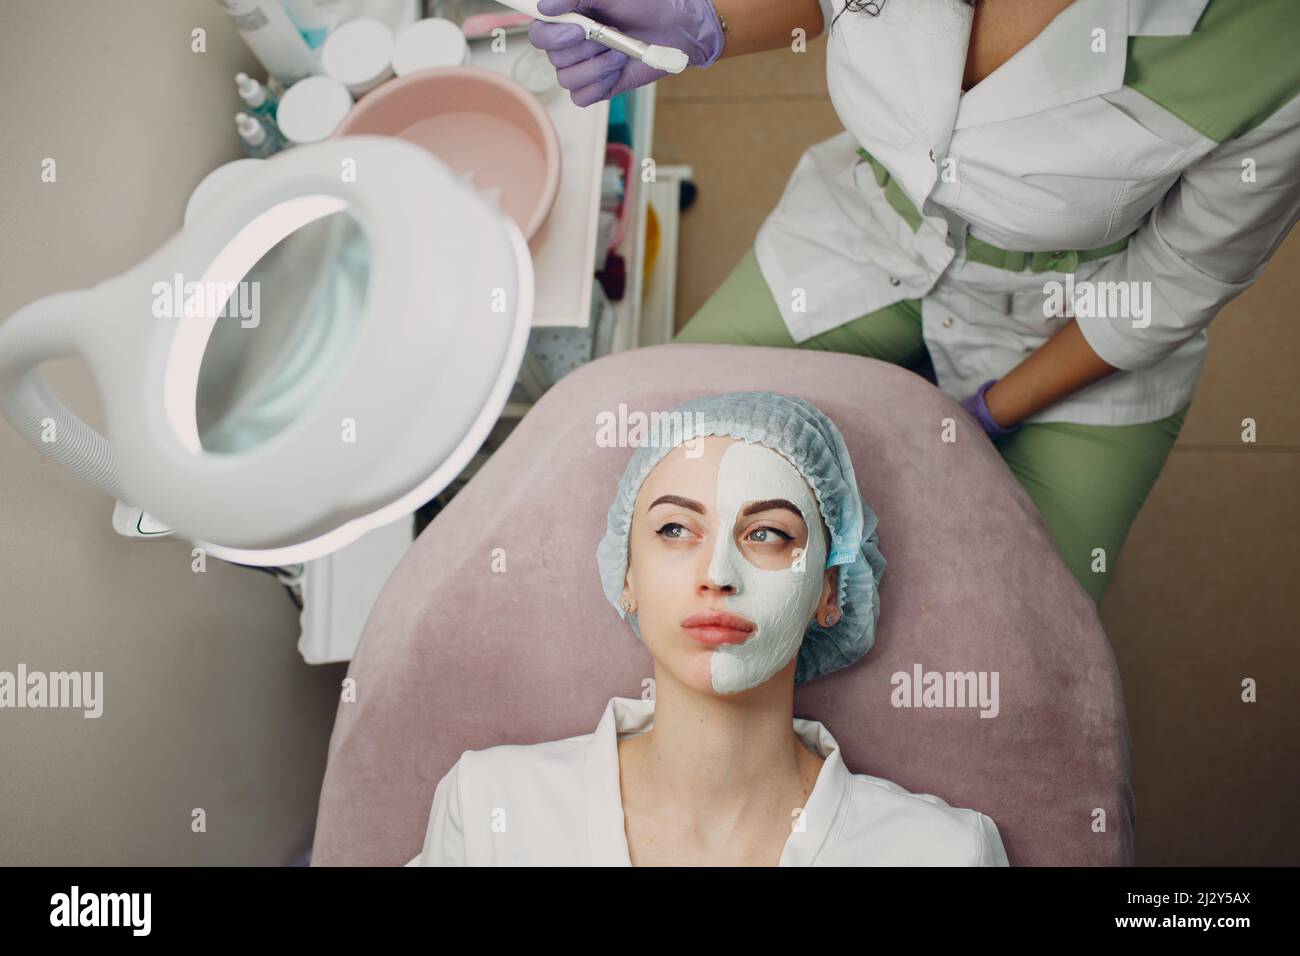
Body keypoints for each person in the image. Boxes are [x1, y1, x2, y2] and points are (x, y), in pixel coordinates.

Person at [528, 0, 1300, 604]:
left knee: (1024, 631)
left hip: (1083, 318)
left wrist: (995, 411)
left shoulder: (1271, 48)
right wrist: (705, 22)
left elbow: (1178, 282)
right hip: (871, 231)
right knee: (654, 448)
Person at [407, 392, 1010, 866]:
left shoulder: (946, 853)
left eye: (767, 534)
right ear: (627, 575)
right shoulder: (489, 805)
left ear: (830, 590)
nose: (717, 574)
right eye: (674, 530)